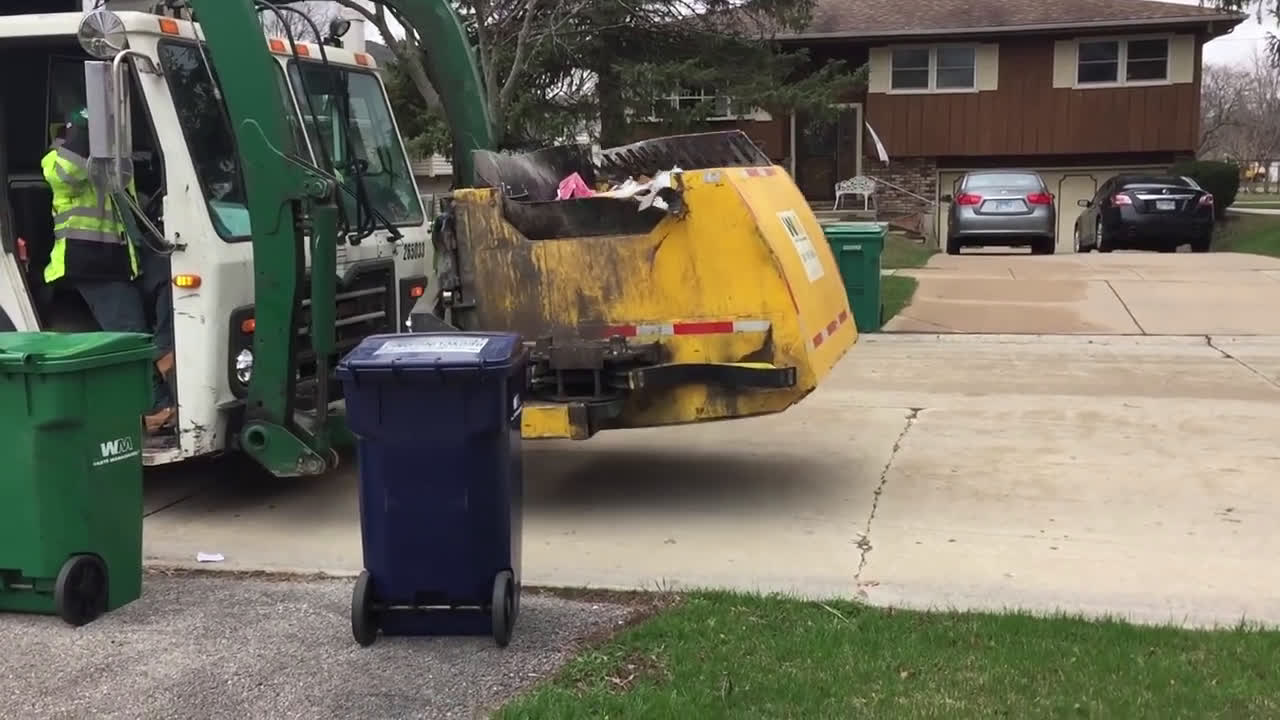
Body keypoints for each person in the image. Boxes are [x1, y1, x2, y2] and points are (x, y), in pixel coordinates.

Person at [42, 108, 173, 433]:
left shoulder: (109, 162)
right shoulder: (57, 162)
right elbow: (69, 172)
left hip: (121, 259)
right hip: (90, 265)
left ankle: (166, 357)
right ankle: (154, 409)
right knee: (130, 337)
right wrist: (88, 121)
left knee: (172, 284)